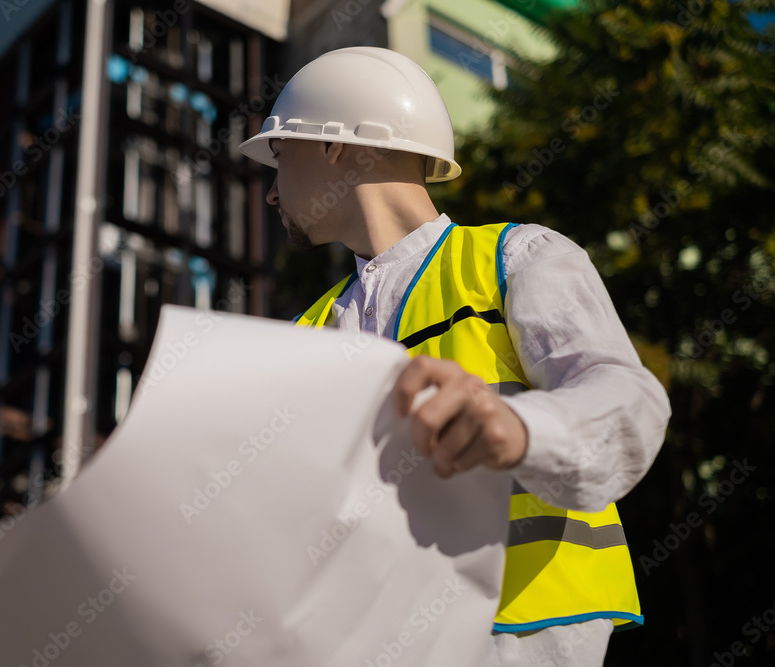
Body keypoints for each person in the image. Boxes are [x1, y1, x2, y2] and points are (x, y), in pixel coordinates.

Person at [237, 46, 670, 665]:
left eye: (280, 156)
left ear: (336, 146)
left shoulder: (517, 257)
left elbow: (630, 401)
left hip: (521, 629)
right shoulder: (307, 330)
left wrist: (519, 429)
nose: (273, 194)